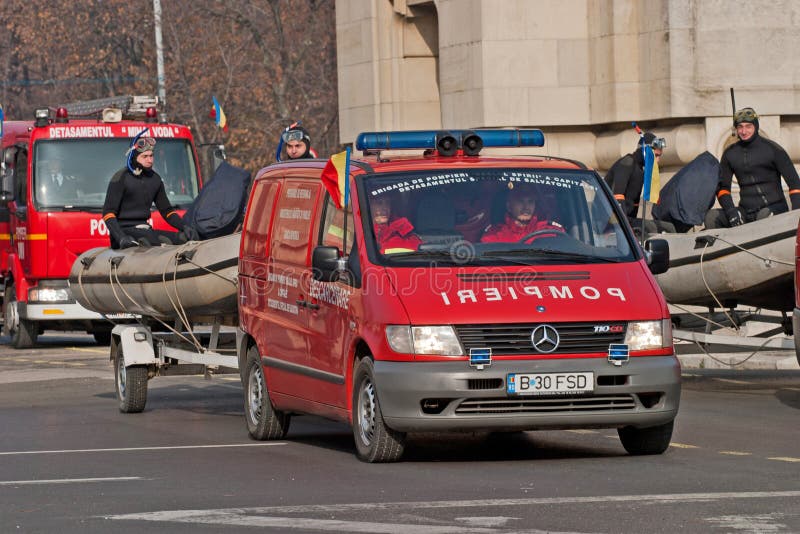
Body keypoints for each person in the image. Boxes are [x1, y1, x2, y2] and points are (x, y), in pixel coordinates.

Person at [705, 107, 800, 228]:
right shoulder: (730, 154)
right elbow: (723, 188)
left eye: (748, 126)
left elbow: (795, 183)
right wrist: (731, 211)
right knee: (711, 217)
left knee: (764, 218)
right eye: (740, 127)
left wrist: (796, 216)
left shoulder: (773, 149)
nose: (744, 131)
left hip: (774, 209)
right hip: (746, 211)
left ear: (756, 127)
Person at [102, 134, 198, 249]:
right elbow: (108, 213)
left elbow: (167, 211)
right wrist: (121, 237)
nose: (150, 160)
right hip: (124, 232)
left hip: (145, 229)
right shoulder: (121, 178)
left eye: (151, 156)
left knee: (184, 238)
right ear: (134, 157)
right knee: (149, 240)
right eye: (145, 156)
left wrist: (184, 227)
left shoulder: (155, 179)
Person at [480, 183, 564, 243]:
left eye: (530, 201)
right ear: (509, 206)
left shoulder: (551, 231)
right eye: (520, 201)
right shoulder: (494, 234)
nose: (526, 207)